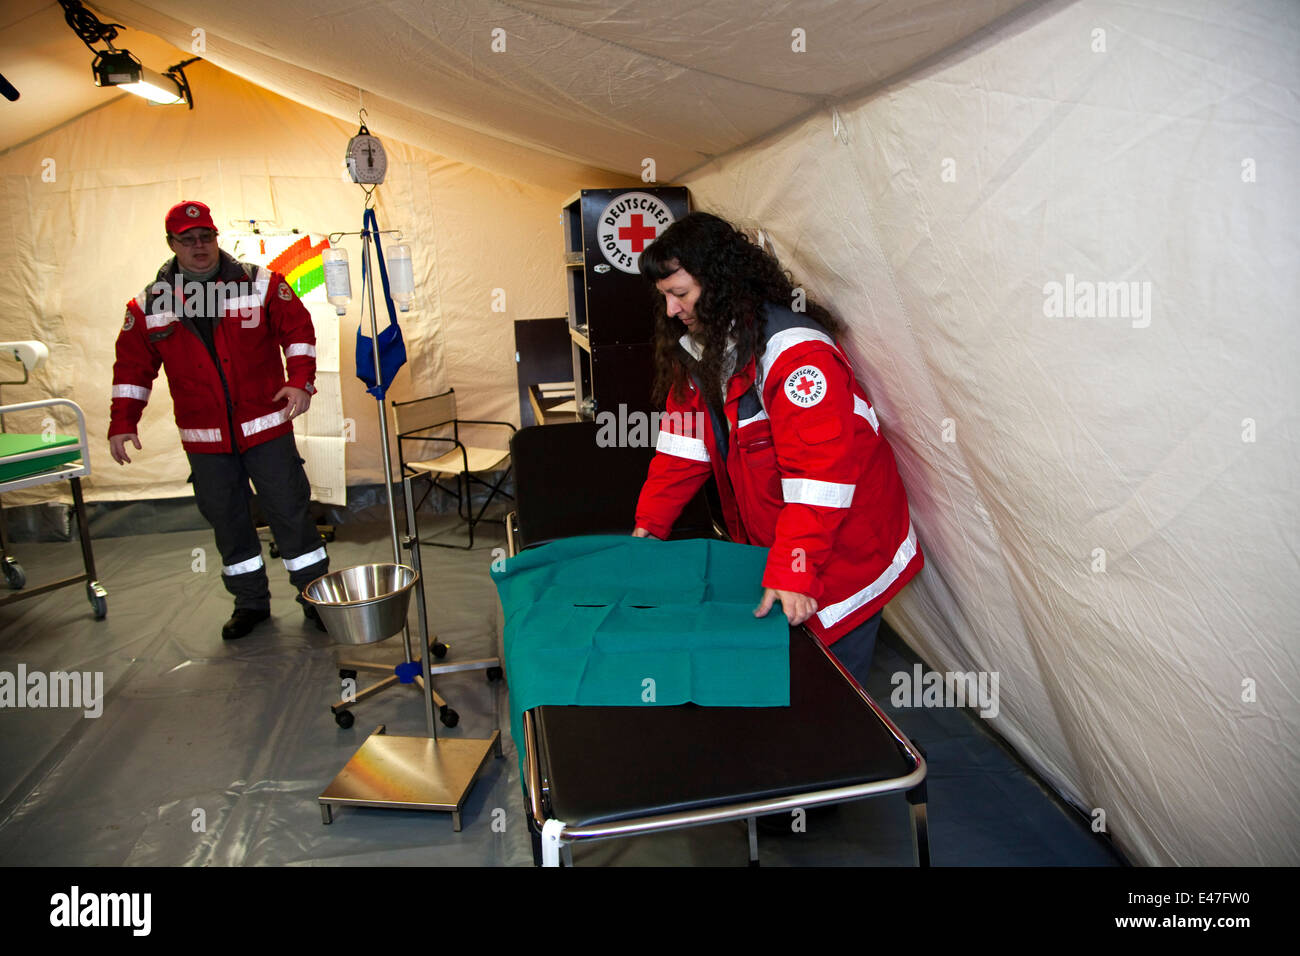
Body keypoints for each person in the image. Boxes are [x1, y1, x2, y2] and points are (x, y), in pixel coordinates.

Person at [632, 212, 922, 684]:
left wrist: (794, 568)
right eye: (664, 296)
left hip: (844, 550)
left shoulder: (797, 357)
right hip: (790, 540)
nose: (670, 310)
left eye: (679, 294)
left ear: (719, 282)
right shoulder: (704, 345)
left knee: (831, 691)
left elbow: (820, 480)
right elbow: (683, 447)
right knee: (794, 678)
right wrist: (650, 525)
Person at [108, 200, 329, 641]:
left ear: (215, 237)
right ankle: (250, 603)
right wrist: (122, 422)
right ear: (171, 245)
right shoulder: (148, 304)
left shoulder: (259, 283)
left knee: (290, 512)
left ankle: (315, 597)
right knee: (228, 522)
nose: (199, 246)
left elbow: (298, 330)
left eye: (205, 236)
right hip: (206, 441)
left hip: (265, 428)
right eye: (187, 240)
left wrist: (301, 381)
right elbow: (132, 369)